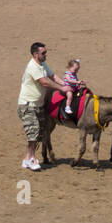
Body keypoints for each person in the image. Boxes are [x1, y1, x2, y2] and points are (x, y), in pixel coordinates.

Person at [18, 42, 68, 170]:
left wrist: (66, 85)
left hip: (38, 105)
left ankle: (27, 158)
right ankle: (32, 159)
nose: (46, 54)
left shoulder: (43, 64)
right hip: (27, 105)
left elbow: (53, 76)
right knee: (33, 132)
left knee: (37, 133)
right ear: (35, 54)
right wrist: (61, 88)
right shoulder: (32, 67)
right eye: (43, 53)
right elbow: (45, 83)